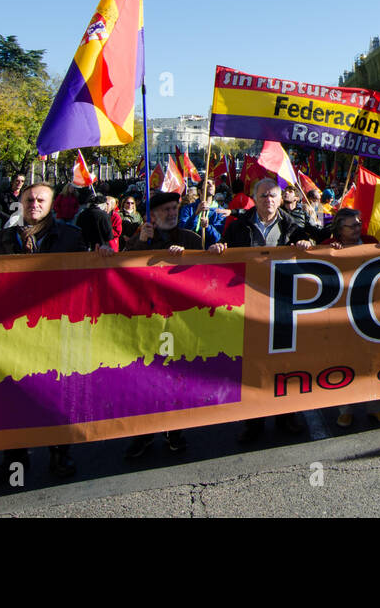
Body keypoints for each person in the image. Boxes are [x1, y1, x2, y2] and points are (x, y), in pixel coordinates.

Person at [0, 182, 87, 481]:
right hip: (13, 333)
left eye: (41, 200)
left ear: (52, 205)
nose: (34, 205)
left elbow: (85, 281)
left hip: (57, 330)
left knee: (57, 395)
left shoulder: (71, 238)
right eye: (29, 199)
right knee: (13, 397)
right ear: (20, 201)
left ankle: (60, 455)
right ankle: (14, 461)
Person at [120, 191, 226, 456]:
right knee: (144, 378)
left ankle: (175, 431)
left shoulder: (190, 238)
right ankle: (143, 433)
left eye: (174, 208)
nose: (171, 213)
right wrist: (140, 245)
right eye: (165, 209)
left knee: (176, 376)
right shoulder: (139, 238)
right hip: (145, 319)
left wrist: (215, 250)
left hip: (180, 321)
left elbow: (210, 271)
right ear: (152, 215)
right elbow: (119, 269)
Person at [223, 179, 313, 441]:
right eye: (263, 196)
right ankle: (254, 422)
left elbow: (311, 240)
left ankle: (287, 416)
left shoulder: (292, 225)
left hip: (283, 302)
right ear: (255, 198)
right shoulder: (239, 227)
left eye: (273, 195)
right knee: (254, 363)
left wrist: (306, 241)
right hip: (250, 303)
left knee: (284, 361)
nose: (268, 200)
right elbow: (223, 251)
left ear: (280, 197)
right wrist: (217, 248)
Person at [328, 207, 380, 427]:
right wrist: (330, 252)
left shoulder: (369, 240)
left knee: (373, 360)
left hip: (369, 312)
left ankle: (377, 407)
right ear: (339, 228)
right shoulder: (328, 247)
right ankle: (345, 409)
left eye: (359, 223)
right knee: (343, 362)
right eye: (352, 225)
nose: (358, 228)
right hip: (341, 315)